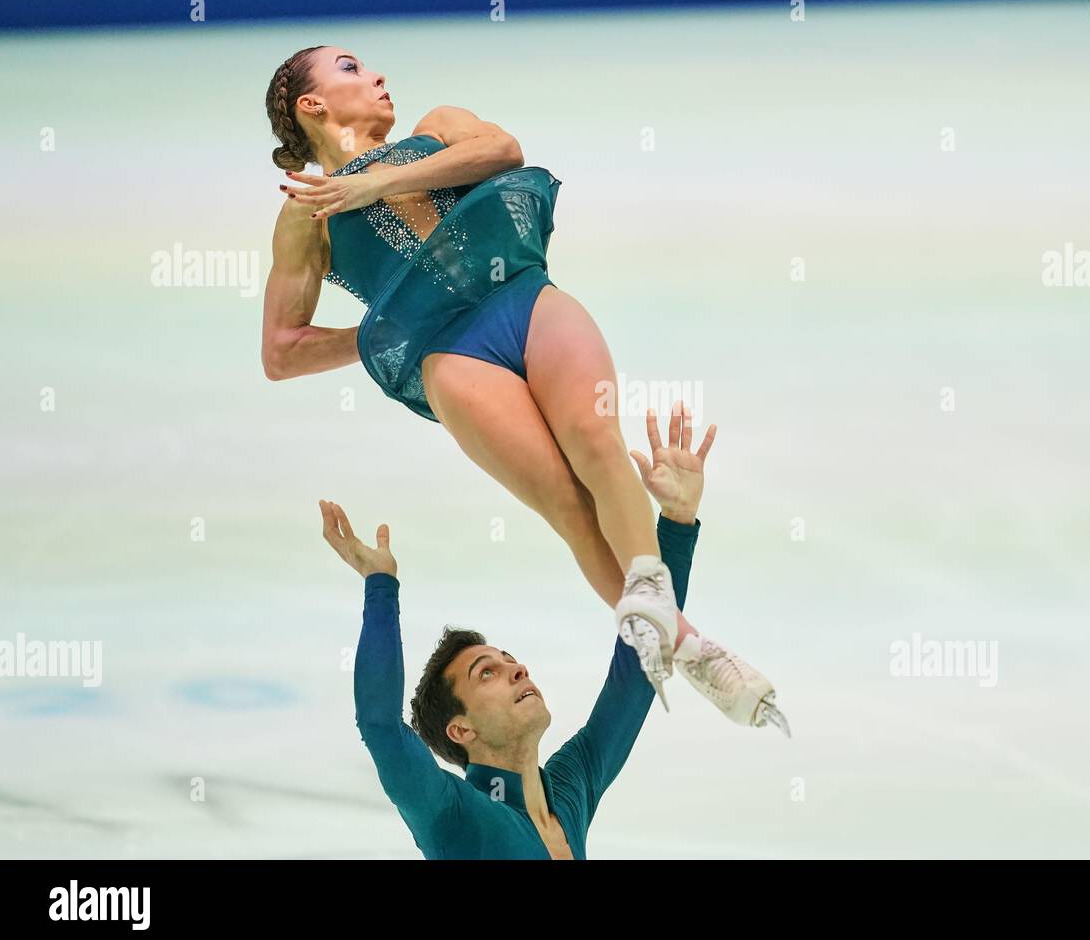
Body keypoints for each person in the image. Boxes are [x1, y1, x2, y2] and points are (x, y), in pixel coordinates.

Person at [265, 45, 782, 725]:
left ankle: (672, 634)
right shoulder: (306, 216)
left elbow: (503, 150)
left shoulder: (439, 124)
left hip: (523, 300)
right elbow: (281, 351)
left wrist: (373, 185)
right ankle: (692, 651)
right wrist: (386, 328)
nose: (379, 75)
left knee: (597, 442)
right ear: (313, 104)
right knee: (568, 503)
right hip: (447, 356)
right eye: (352, 69)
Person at [320, 412, 788, 859]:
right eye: (487, 674)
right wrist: (380, 585)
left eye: (507, 660)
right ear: (461, 730)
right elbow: (380, 725)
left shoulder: (569, 789)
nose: (517, 668)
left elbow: (638, 671)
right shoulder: (453, 814)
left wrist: (677, 522)